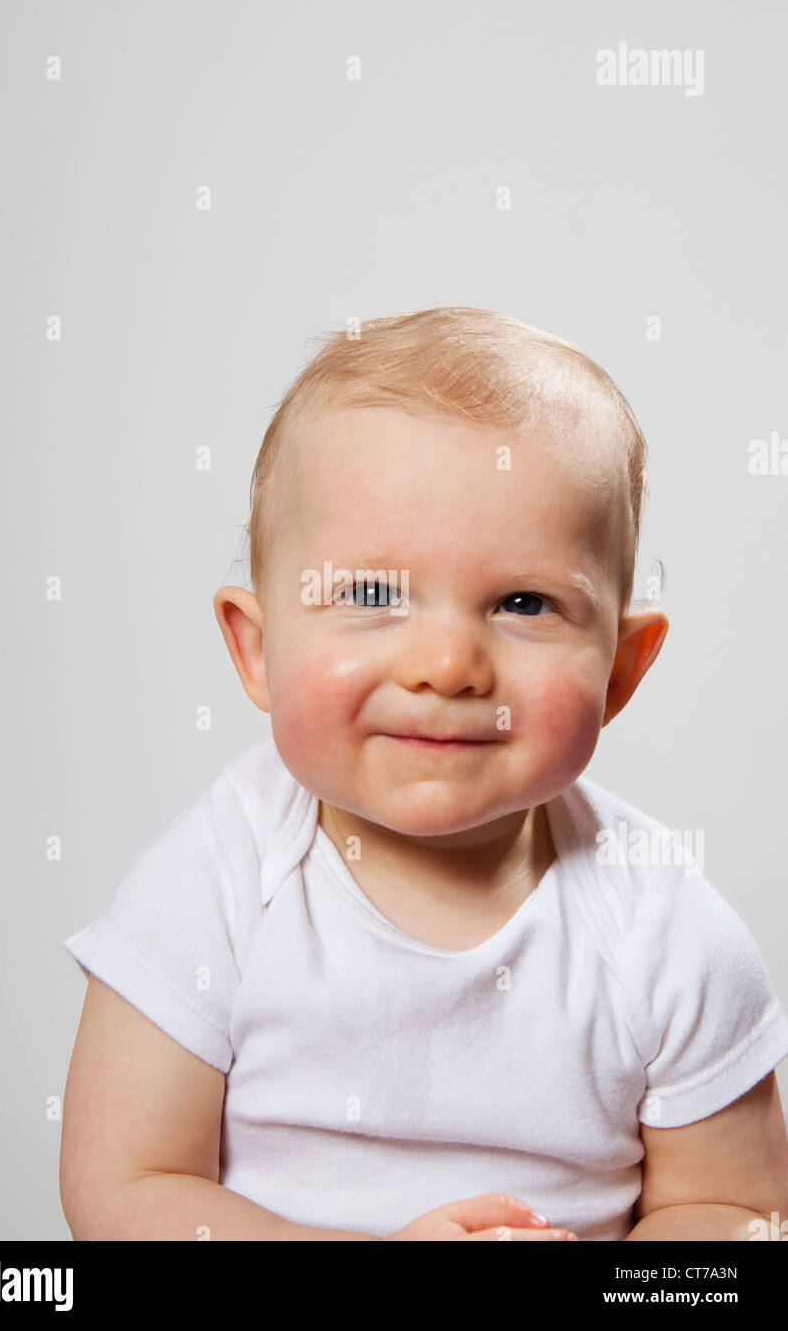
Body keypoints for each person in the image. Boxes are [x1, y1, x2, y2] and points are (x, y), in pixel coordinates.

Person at [59, 307, 788, 1241]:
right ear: (257, 649)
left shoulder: (664, 930)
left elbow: (734, 1215)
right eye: (369, 595)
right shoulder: (213, 888)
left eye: (524, 603)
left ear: (620, 672)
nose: (447, 665)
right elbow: (123, 1193)